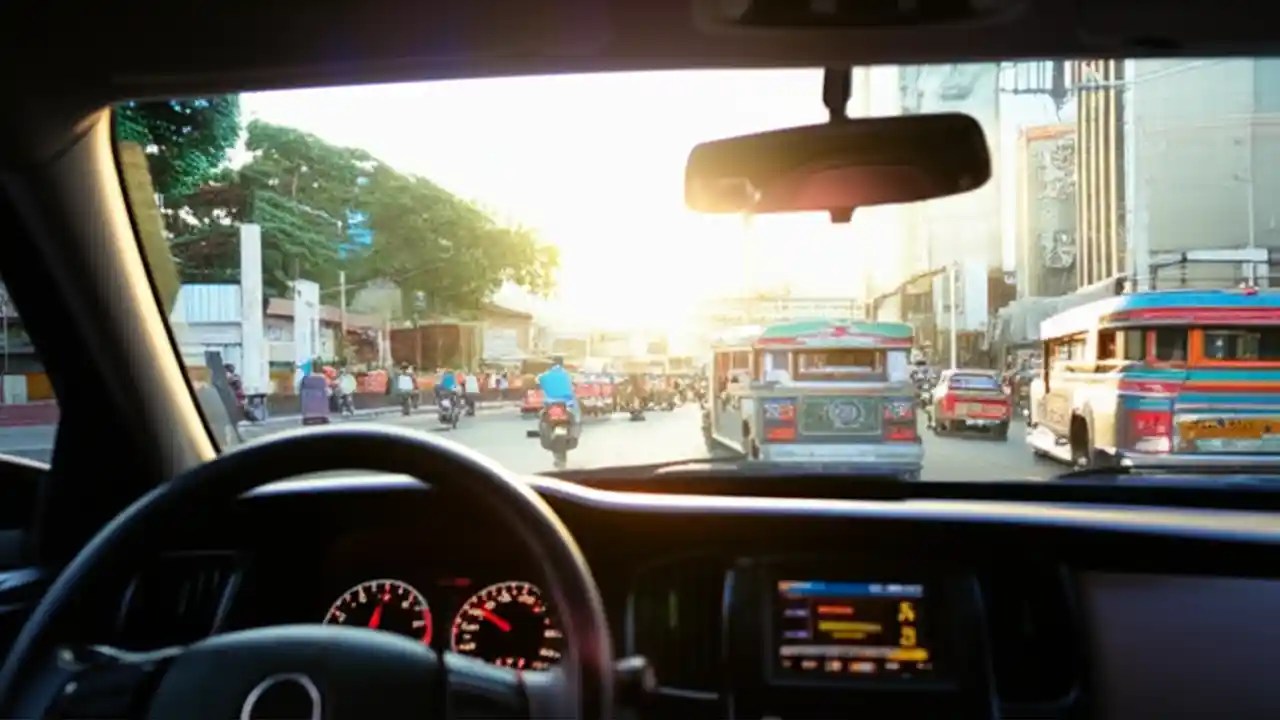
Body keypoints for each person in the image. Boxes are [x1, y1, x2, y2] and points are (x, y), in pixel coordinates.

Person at [537, 355, 580, 424]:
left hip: (550, 400)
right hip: (566, 399)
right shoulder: (566, 374)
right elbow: (572, 383)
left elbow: (540, 383)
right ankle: (577, 420)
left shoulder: (545, 374)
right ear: (562, 363)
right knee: (574, 404)